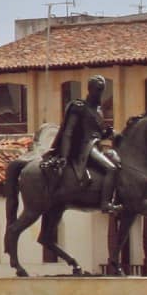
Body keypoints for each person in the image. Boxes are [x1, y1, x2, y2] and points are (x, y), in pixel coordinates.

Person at [44, 74, 121, 213]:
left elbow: (96, 133)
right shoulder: (79, 107)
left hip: (97, 146)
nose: (100, 93)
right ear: (90, 89)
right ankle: (106, 204)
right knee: (112, 169)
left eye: (102, 89)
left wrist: (107, 134)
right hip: (85, 148)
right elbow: (68, 132)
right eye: (97, 89)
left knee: (118, 161)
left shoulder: (98, 110)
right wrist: (64, 156)